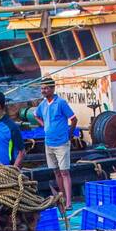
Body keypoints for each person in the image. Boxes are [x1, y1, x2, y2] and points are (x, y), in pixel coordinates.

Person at [28, 77, 76, 207]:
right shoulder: (42, 104)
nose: (43, 91)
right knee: (56, 171)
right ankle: (63, 197)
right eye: (42, 88)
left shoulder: (61, 103)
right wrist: (44, 125)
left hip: (61, 143)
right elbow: (35, 115)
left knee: (65, 172)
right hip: (48, 143)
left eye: (46, 88)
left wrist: (69, 135)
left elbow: (73, 119)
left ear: (52, 89)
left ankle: (69, 202)